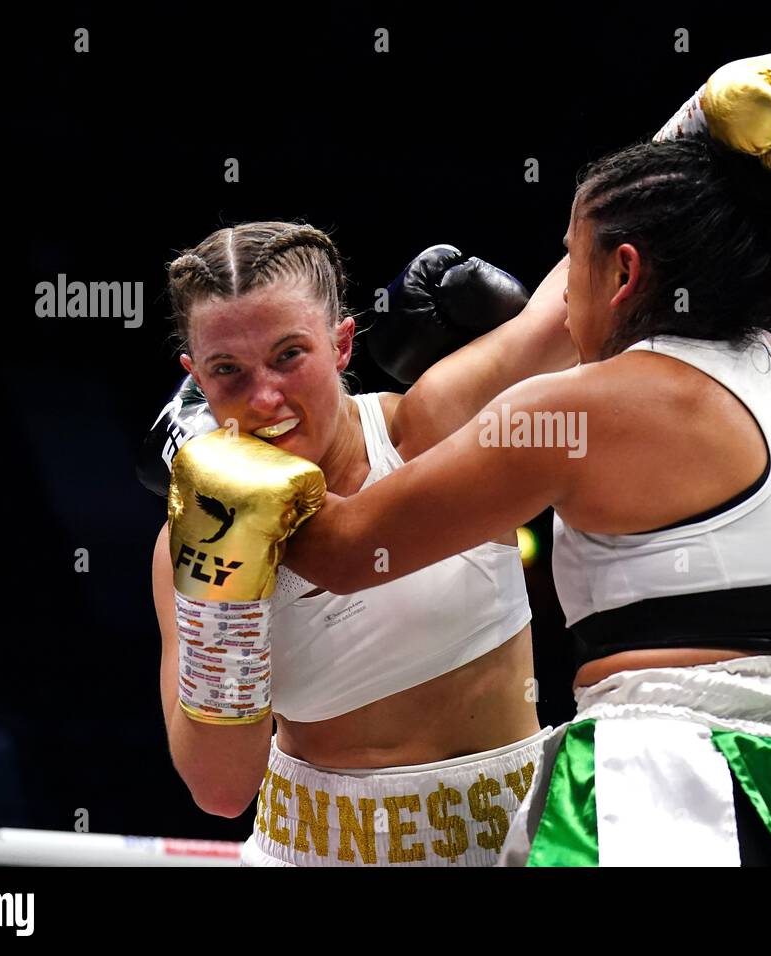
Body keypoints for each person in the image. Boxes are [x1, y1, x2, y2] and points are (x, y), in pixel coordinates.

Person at [240, 51, 771, 865]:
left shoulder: (580, 411)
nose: (560, 304)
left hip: (679, 794)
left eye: (573, 266)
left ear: (627, 271)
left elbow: (342, 551)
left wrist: (203, 446)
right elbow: (629, 238)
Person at [150, 221, 579, 866]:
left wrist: (702, 122)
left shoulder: (432, 429)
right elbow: (221, 790)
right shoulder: (190, 542)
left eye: (289, 355)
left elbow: (581, 292)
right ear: (196, 381)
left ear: (342, 343)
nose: (265, 398)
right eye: (228, 370)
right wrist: (227, 586)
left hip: (510, 842)